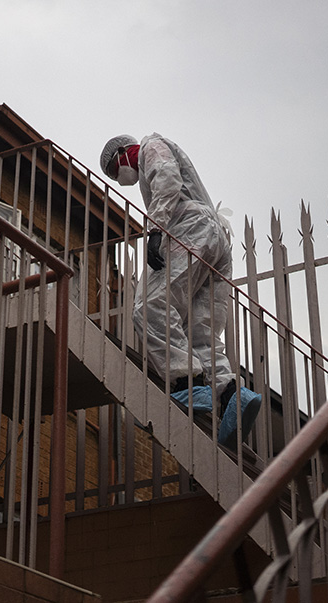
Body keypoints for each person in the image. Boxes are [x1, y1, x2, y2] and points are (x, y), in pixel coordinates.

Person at [100, 133, 261, 446]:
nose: (119, 180)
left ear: (121, 153)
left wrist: (156, 229)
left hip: (189, 229)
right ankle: (231, 394)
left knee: (148, 307)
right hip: (216, 241)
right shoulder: (157, 155)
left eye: (112, 171)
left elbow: (167, 178)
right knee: (199, 332)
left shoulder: (149, 146)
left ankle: (187, 381)